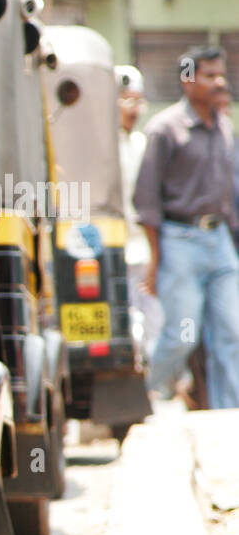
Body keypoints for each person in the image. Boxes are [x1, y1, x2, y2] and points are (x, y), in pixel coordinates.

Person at [134, 45, 239, 410]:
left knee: (232, 333)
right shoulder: (164, 130)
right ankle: (149, 394)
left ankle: (230, 416)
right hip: (179, 241)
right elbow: (145, 200)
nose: (218, 82)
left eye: (220, 74)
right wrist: (156, 257)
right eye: (209, 75)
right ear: (188, 79)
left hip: (220, 242)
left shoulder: (224, 128)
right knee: (184, 333)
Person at [117, 65, 162, 361]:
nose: (134, 107)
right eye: (126, 99)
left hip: (142, 248)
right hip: (115, 246)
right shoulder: (102, 146)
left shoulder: (142, 144)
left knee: (154, 320)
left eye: (138, 100)